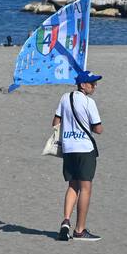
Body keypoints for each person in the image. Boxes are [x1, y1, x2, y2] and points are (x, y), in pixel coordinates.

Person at [53, 72, 104, 242]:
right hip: (84, 148)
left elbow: (55, 122)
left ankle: (66, 221)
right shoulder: (89, 102)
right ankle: (80, 230)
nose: (94, 86)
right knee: (85, 188)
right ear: (82, 85)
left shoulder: (64, 98)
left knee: (72, 185)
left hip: (68, 148)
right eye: (91, 83)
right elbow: (98, 129)